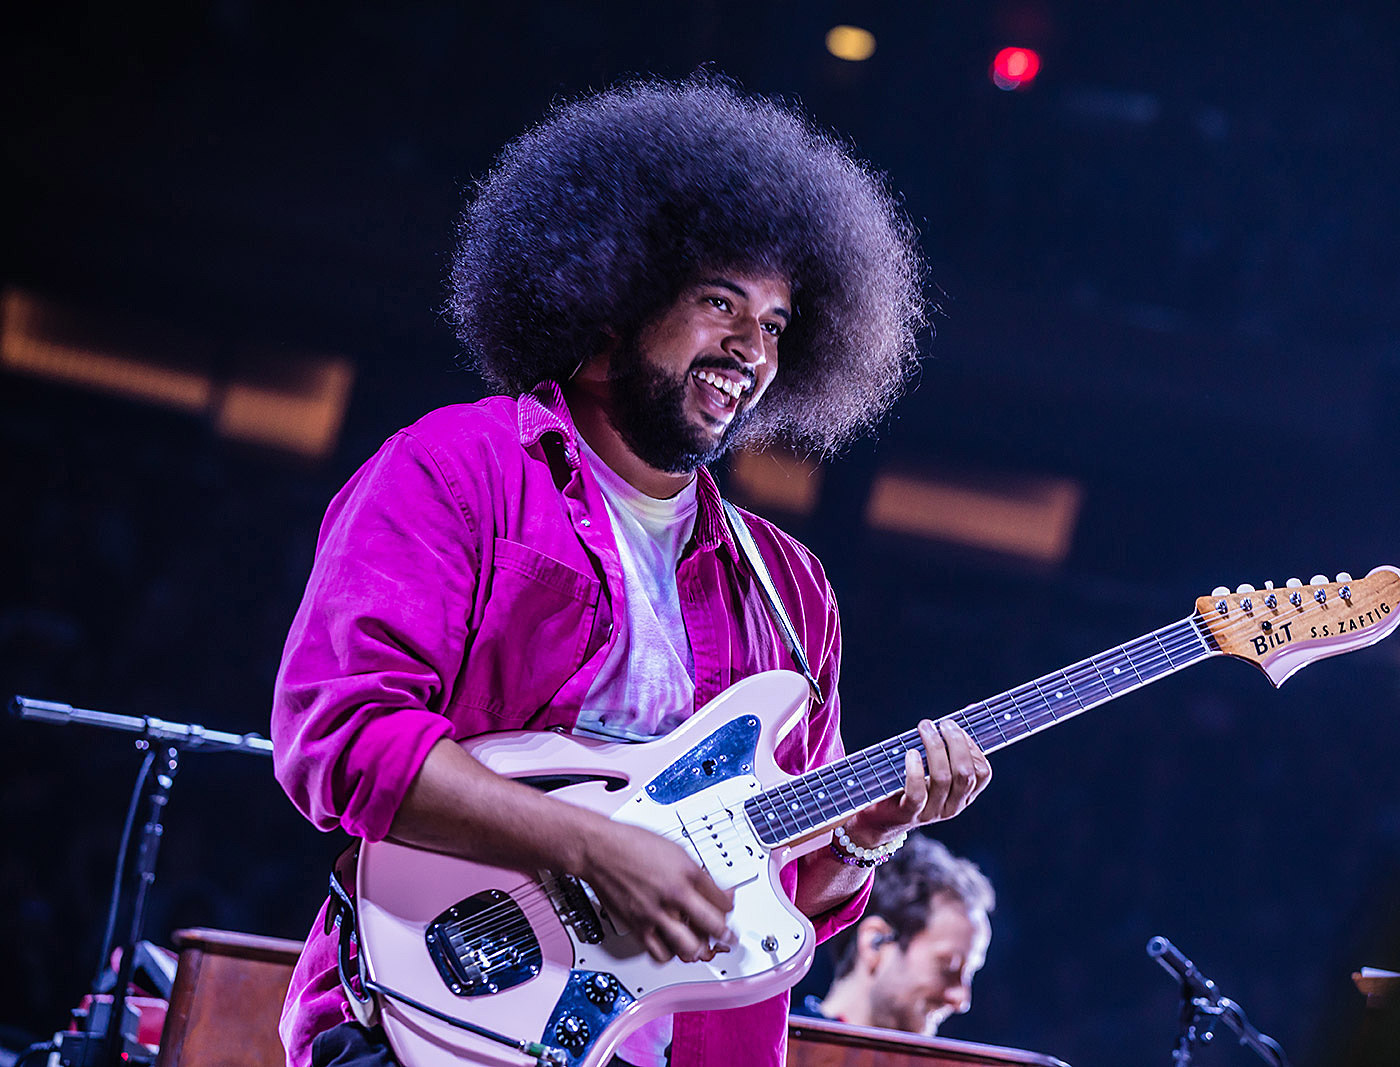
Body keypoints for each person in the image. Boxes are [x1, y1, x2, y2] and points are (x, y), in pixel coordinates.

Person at [270, 76, 993, 1067]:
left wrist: (863, 832)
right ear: (612, 299)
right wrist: (592, 847)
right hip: (430, 1017)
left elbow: (777, 904)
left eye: (778, 323)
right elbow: (342, 740)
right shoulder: (453, 470)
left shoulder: (791, 590)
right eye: (718, 301)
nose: (751, 347)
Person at [800, 833, 994, 1037]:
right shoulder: (781, 1054)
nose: (961, 1000)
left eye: (969, 974)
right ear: (875, 943)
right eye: (948, 966)